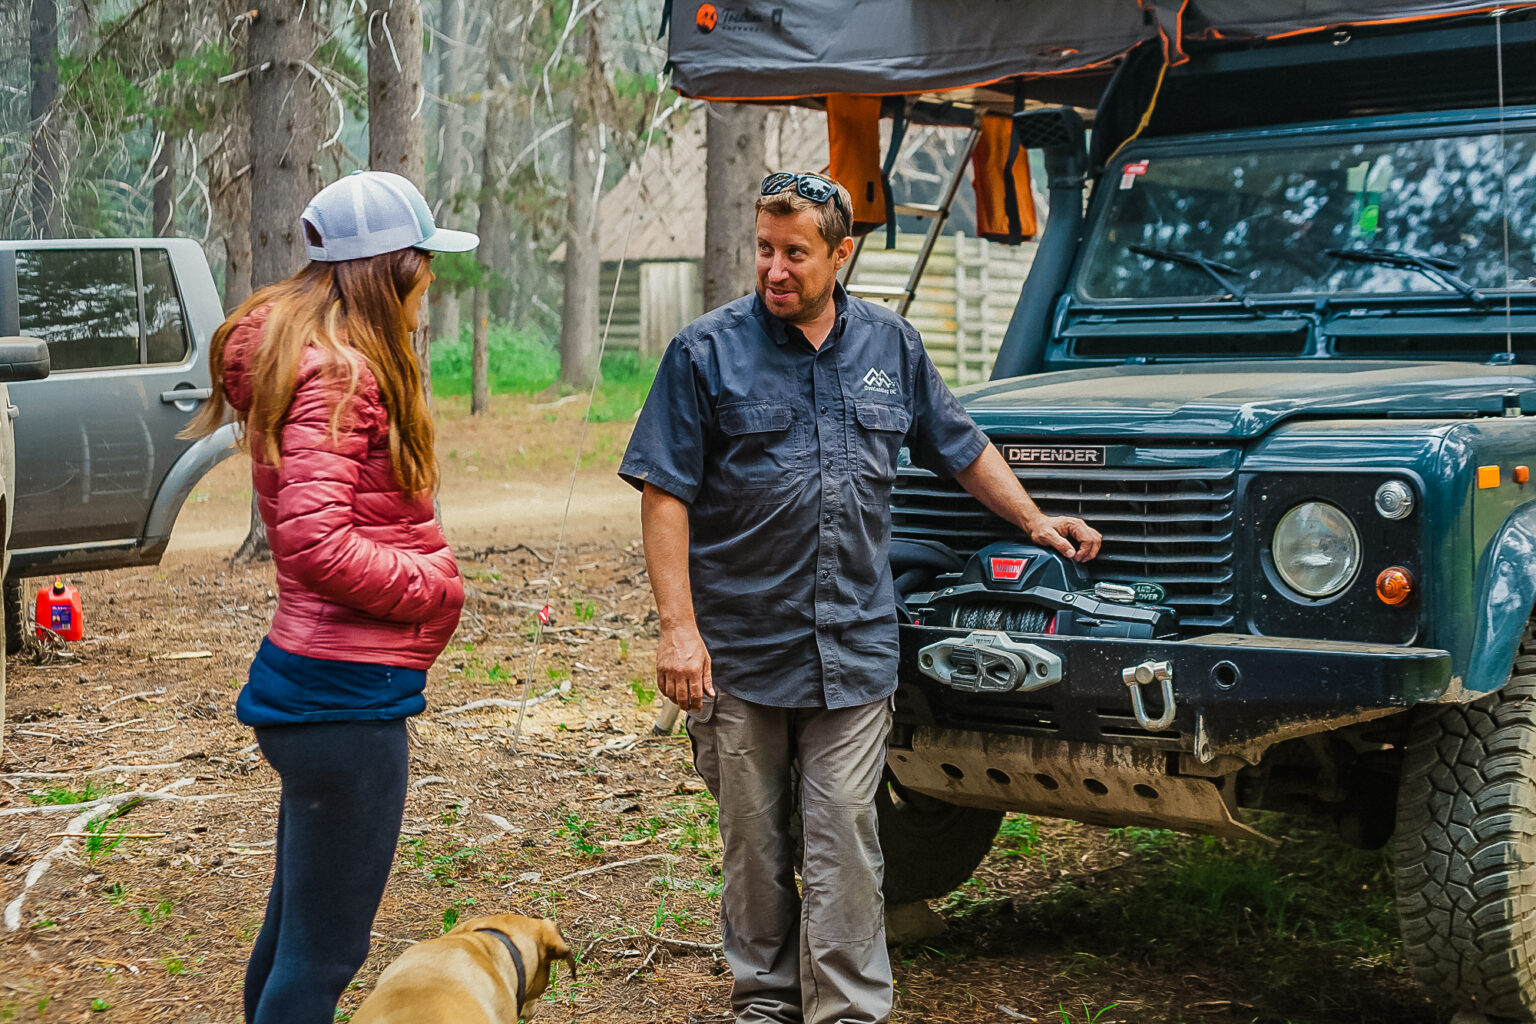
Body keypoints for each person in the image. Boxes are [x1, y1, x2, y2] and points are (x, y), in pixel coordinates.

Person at [620, 171, 1101, 1024]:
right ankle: (765, 1004)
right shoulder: (705, 352)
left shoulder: (891, 346)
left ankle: (845, 1012)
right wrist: (677, 632)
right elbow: (664, 494)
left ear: (841, 254)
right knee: (755, 847)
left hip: (854, 646)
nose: (774, 269)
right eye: (764, 250)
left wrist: (1033, 520)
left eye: (795, 253)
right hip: (740, 650)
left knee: (845, 839)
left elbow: (958, 445)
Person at [183, 170, 478, 1024]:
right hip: (344, 698)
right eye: (424, 263)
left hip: (323, 688)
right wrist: (433, 588)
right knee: (323, 957)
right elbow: (314, 543)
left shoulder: (319, 358)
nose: (431, 281)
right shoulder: (342, 375)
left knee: (294, 936)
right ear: (391, 268)